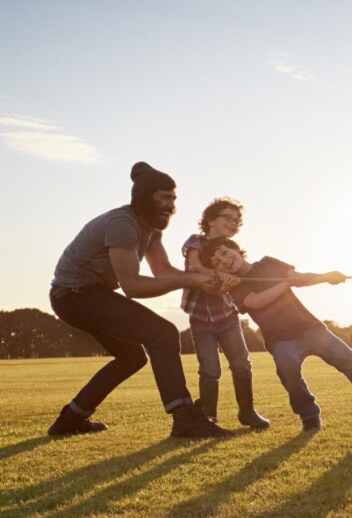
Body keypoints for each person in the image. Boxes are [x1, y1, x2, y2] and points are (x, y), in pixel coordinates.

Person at [47, 162, 237, 438]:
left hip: (87, 295)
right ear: (144, 197)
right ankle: (184, 419)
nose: (171, 205)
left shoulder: (150, 230)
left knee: (131, 357)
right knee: (162, 333)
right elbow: (132, 286)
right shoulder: (123, 224)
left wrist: (207, 278)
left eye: (173, 199)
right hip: (74, 295)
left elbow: (164, 272)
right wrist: (191, 280)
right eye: (164, 197)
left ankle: (71, 419)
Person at [199, 237, 352, 432]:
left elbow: (299, 278)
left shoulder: (268, 263)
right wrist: (287, 283)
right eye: (217, 262)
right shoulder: (235, 285)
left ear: (236, 249)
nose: (224, 260)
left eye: (225, 253)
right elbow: (256, 301)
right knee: (288, 370)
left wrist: (326, 277)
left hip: (313, 329)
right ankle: (309, 416)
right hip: (281, 340)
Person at [181, 198, 269, 429]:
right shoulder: (196, 241)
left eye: (236, 221)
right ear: (210, 219)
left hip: (227, 317)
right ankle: (209, 417)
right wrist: (220, 275)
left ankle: (247, 412)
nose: (233, 223)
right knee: (210, 369)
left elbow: (248, 271)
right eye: (227, 217)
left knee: (241, 364)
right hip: (200, 318)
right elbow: (197, 266)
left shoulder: (231, 251)